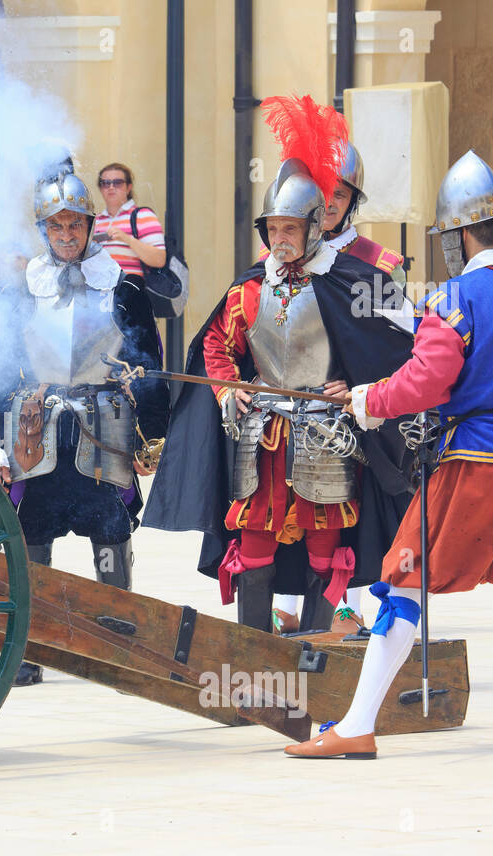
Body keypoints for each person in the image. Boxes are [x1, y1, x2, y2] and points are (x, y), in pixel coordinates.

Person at [286, 150, 493, 758]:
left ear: (459, 238)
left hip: (476, 467)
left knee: (401, 581)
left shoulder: (452, 302)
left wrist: (368, 399)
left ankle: (355, 728)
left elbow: (424, 384)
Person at [142, 95, 413, 638]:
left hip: (326, 434)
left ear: (316, 225)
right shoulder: (248, 287)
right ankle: (252, 652)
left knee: (325, 544)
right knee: (254, 540)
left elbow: (396, 348)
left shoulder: (355, 279)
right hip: (261, 435)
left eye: (293, 228)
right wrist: (226, 390)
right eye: (275, 229)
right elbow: (216, 342)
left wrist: (358, 386)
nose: (282, 239)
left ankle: (316, 651)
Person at [0, 172, 169, 687]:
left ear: (90, 226)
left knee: (110, 530)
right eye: (56, 225)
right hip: (35, 427)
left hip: (103, 424)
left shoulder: (125, 286)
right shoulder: (21, 290)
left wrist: (152, 437)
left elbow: (149, 362)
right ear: (44, 230)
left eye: (75, 224)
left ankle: (117, 646)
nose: (66, 234)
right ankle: (30, 647)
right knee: (30, 536)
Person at [272, 139, 408, 636]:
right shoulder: (283, 253)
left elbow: (398, 343)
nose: (328, 202)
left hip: (358, 407)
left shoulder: (378, 262)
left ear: (353, 199)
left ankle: (350, 603)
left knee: (357, 506)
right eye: (321, 191)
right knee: (286, 503)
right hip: (293, 405)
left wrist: (359, 385)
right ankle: (288, 600)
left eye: (340, 192)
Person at [92, 162, 167, 277]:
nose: (111, 187)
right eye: (105, 183)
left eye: (118, 183)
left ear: (128, 187)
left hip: (131, 291)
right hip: (100, 292)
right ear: (101, 189)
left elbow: (159, 259)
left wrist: (127, 239)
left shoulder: (142, 216)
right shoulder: (95, 221)